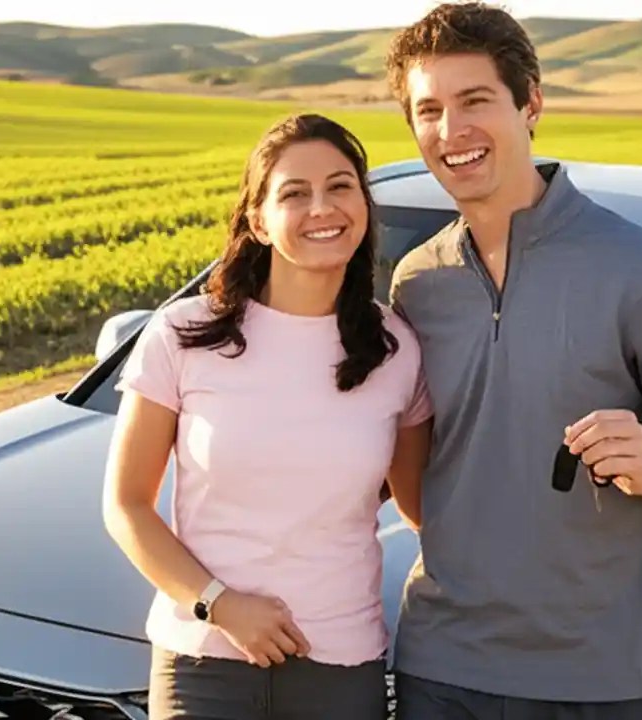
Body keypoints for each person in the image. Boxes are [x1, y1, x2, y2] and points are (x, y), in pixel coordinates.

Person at [381, 3, 642, 719]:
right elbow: (419, 478)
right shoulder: (417, 284)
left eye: (474, 102)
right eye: (428, 110)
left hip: (596, 680)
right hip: (438, 663)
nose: (450, 132)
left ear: (531, 105)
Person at [103, 112, 433, 720]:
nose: (322, 207)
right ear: (258, 219)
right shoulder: (183, 334)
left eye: (340, 186)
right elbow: (126, 506)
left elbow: (420, 509)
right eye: (294, 193)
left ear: (363, 203)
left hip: (341, 664)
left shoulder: (395, 347)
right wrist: (220, 604)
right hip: (204, 660)